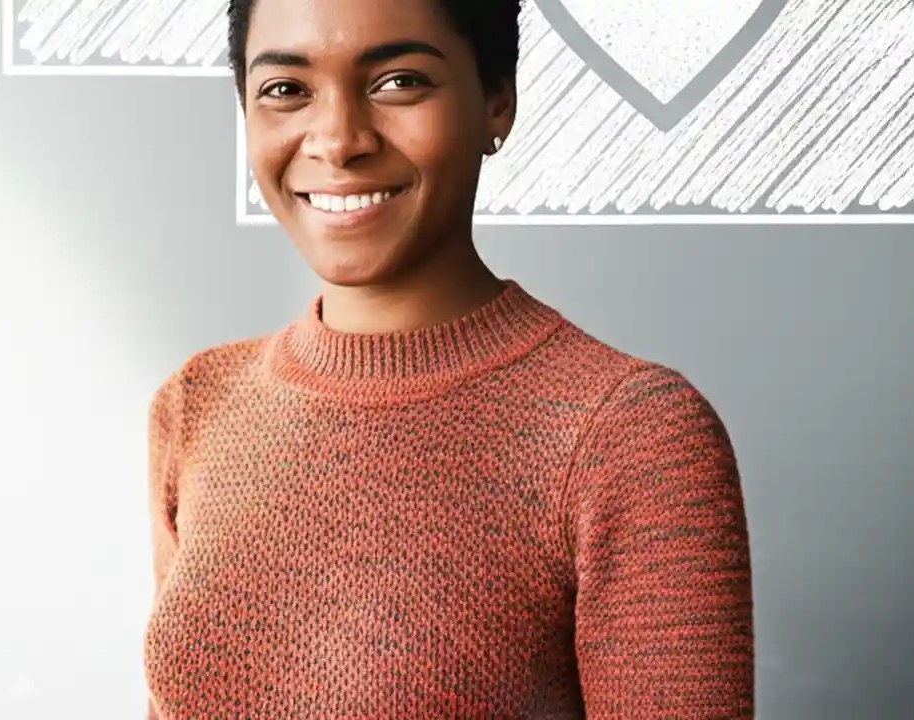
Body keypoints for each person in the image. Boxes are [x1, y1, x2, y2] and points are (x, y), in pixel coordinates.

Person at [142, 0, 755, 717]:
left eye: (398, 81)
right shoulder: (198, 403)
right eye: (286, 90)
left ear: (498, 101)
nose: (337, 141)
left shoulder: (632, 435)